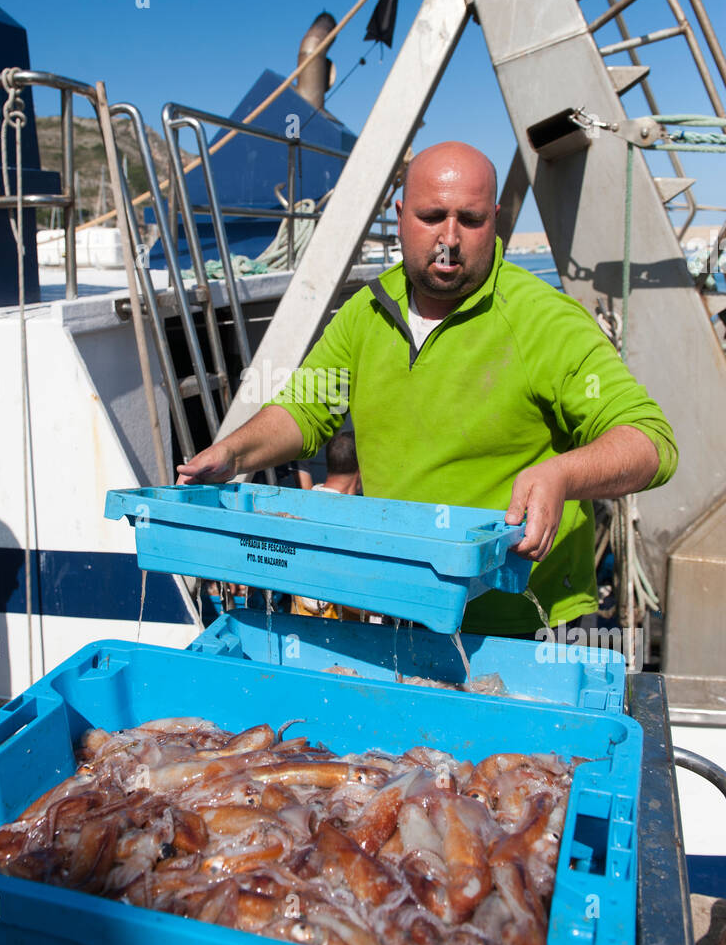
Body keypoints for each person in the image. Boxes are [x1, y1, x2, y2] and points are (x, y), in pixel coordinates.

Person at [177, 141, 677, 637]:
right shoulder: (367, 312)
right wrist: (233, 453)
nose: (449, 238)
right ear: (400, 215)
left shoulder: (545, 320)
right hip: (401, 610)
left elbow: (651, 441)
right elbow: (307, 411)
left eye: (472, 219)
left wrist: (563, 473)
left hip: (528, 624)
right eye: (432, 215)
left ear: (496, 219)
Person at [289, 430, 363, 619]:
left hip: (298, 622)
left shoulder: (299, 506)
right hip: (339, 630)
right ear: (361, 472)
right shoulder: (354, 520)